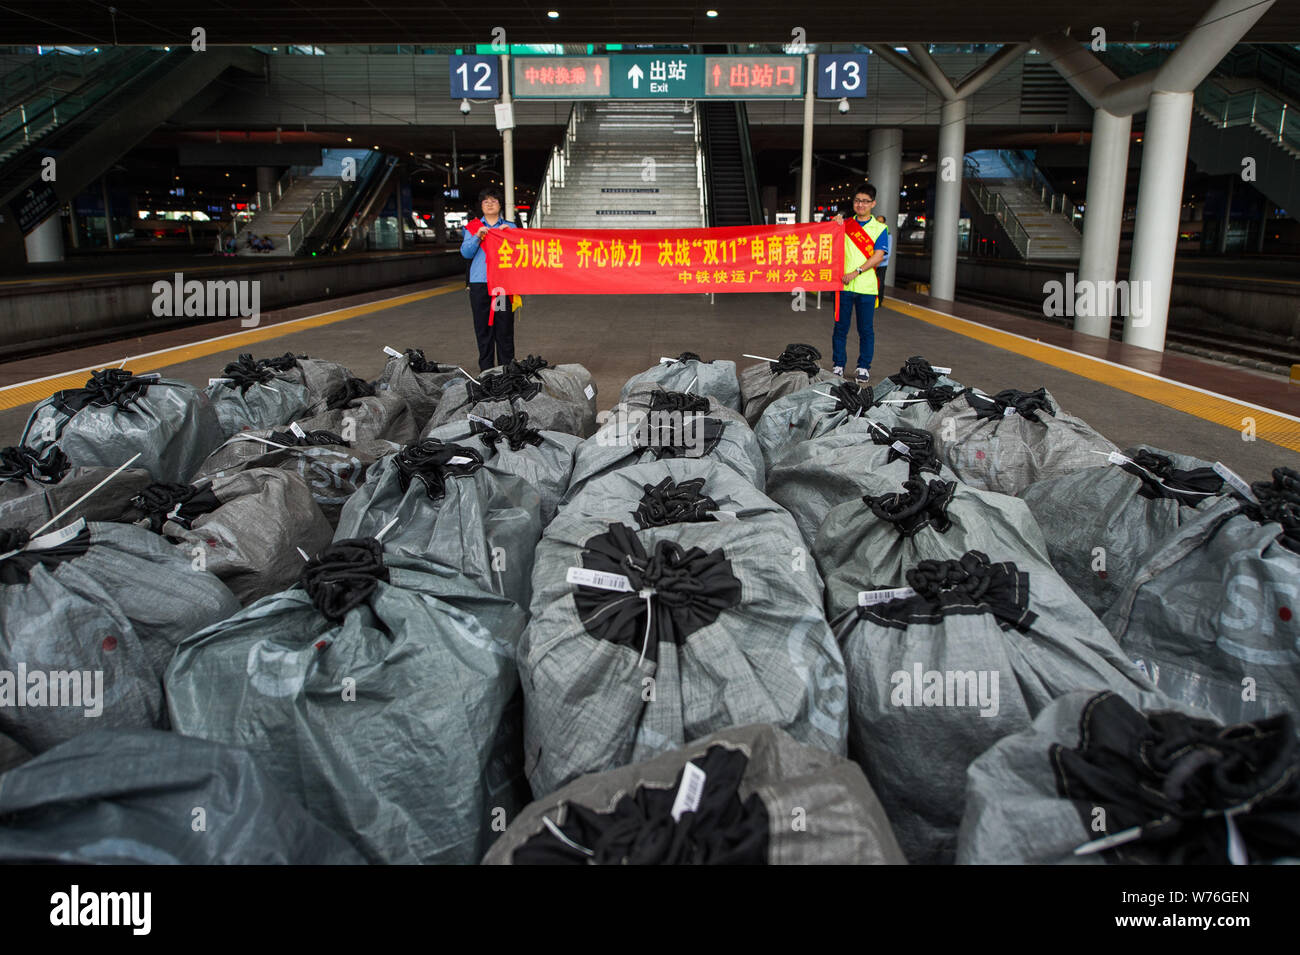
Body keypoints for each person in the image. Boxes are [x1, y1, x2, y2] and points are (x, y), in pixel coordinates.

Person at [832, 185, 890, 384]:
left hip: (866, 287)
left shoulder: (880, 229)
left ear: (873, 203)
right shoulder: (844, 224)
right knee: (841, 327)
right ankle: (838, 364)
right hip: (844, 287)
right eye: (857, 201)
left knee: (865, 330)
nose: (861, 204)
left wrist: (855, 272)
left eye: (865, 201)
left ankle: (863, 366)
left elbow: (878, 256)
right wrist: (834, 224)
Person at [460, 187, 518, 372]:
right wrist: (478, 237)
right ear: (481, 206)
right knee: (483, 329)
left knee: (503, 327)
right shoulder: (473, 228)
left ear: (500, 205)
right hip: (480, 286)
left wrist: (508, 236)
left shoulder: (511, 227)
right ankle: (486, 372)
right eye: (486, 201)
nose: (490, 204)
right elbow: (466, 253)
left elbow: (520, 255)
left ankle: (507, 370)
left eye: (494, 201)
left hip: (501, 287)